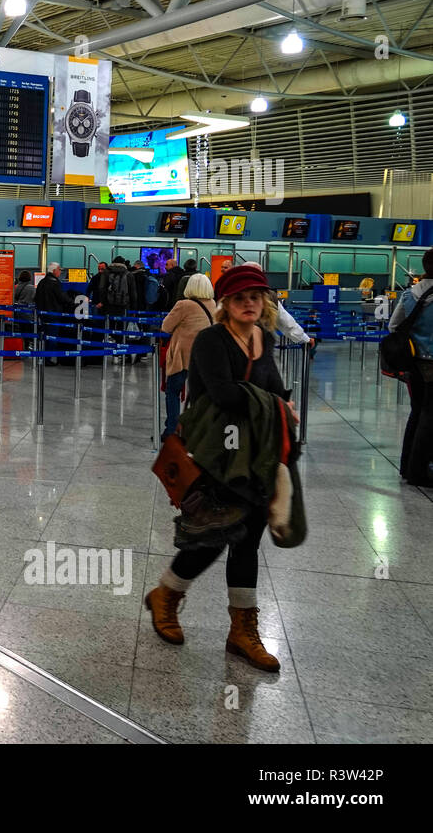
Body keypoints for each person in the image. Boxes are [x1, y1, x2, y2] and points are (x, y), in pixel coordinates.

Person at [144, 264, 298, 673]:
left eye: (256, 297)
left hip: (256, 454)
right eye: (240, 298)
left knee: (247, 540)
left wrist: (282, 402)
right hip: (216, 454)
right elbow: (225, 395)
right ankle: (167, 594)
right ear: (226, 304)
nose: (249, 303)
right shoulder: (212, 340)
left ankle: (242, 630)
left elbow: (273, 386)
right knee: (213, 535)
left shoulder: (263, 337)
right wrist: (277, 406)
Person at [391, 248, 433, 487]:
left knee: (417, 412)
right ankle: (420, 471)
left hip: (413, 364)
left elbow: (393, 326)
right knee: (429, 416)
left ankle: (407, 466)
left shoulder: (410, 294)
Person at [160, 274, 217, 437]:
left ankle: (172, 430)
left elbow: (166, 326)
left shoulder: (183, 304)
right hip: (205, 356)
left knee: (173, 391)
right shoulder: (214, 304)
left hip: (183, 357)